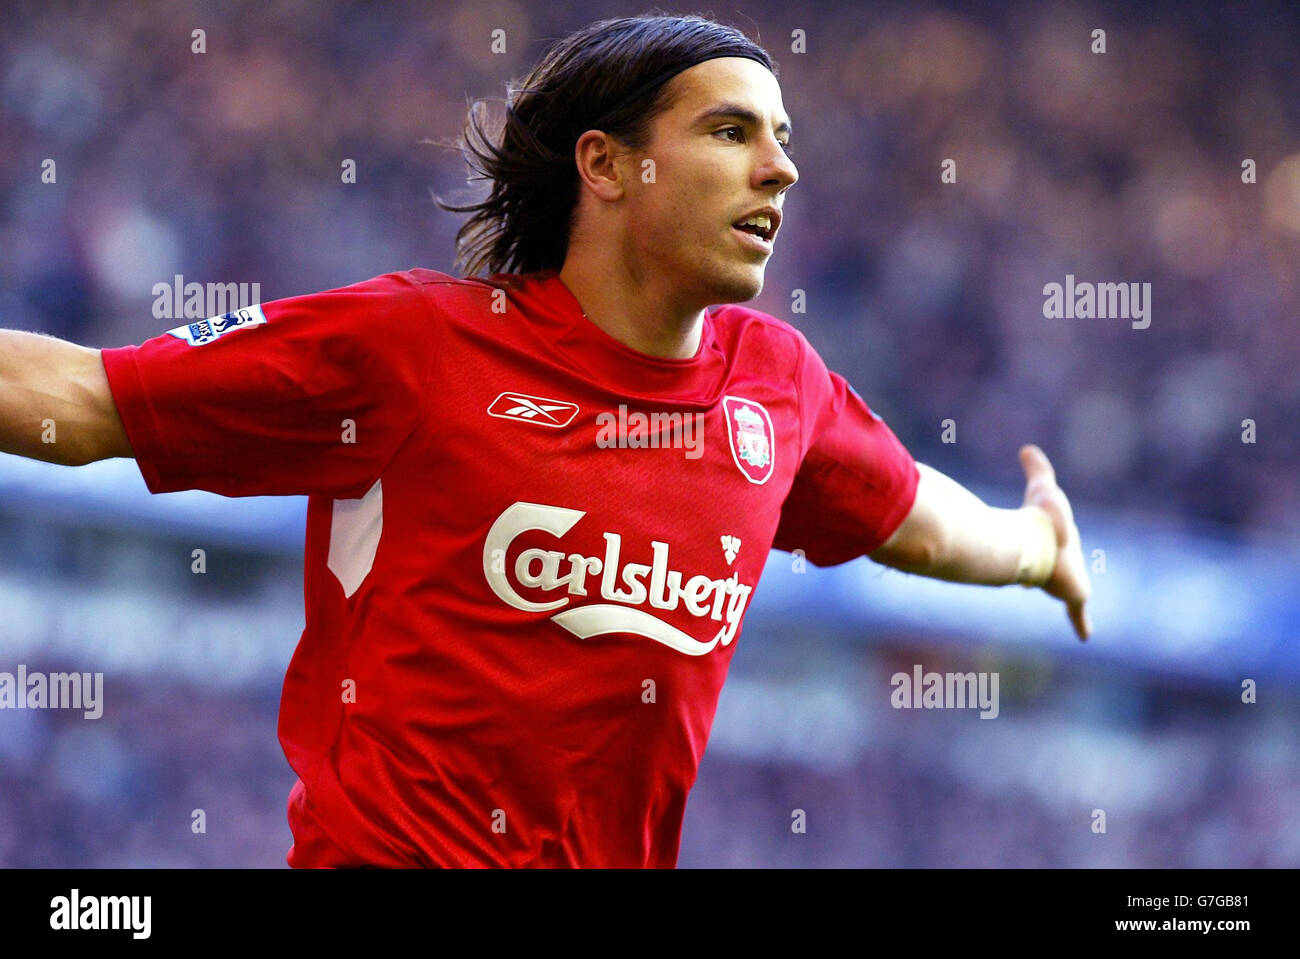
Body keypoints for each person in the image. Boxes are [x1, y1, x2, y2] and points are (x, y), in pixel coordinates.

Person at [0, 14, 1091, 867]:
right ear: (606, 166)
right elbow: (86, 399)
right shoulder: (413, 344)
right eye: (730, 131)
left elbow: (917, 519)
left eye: (783, 139)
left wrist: (1039, 546)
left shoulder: (777, 387)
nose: (779, 168)